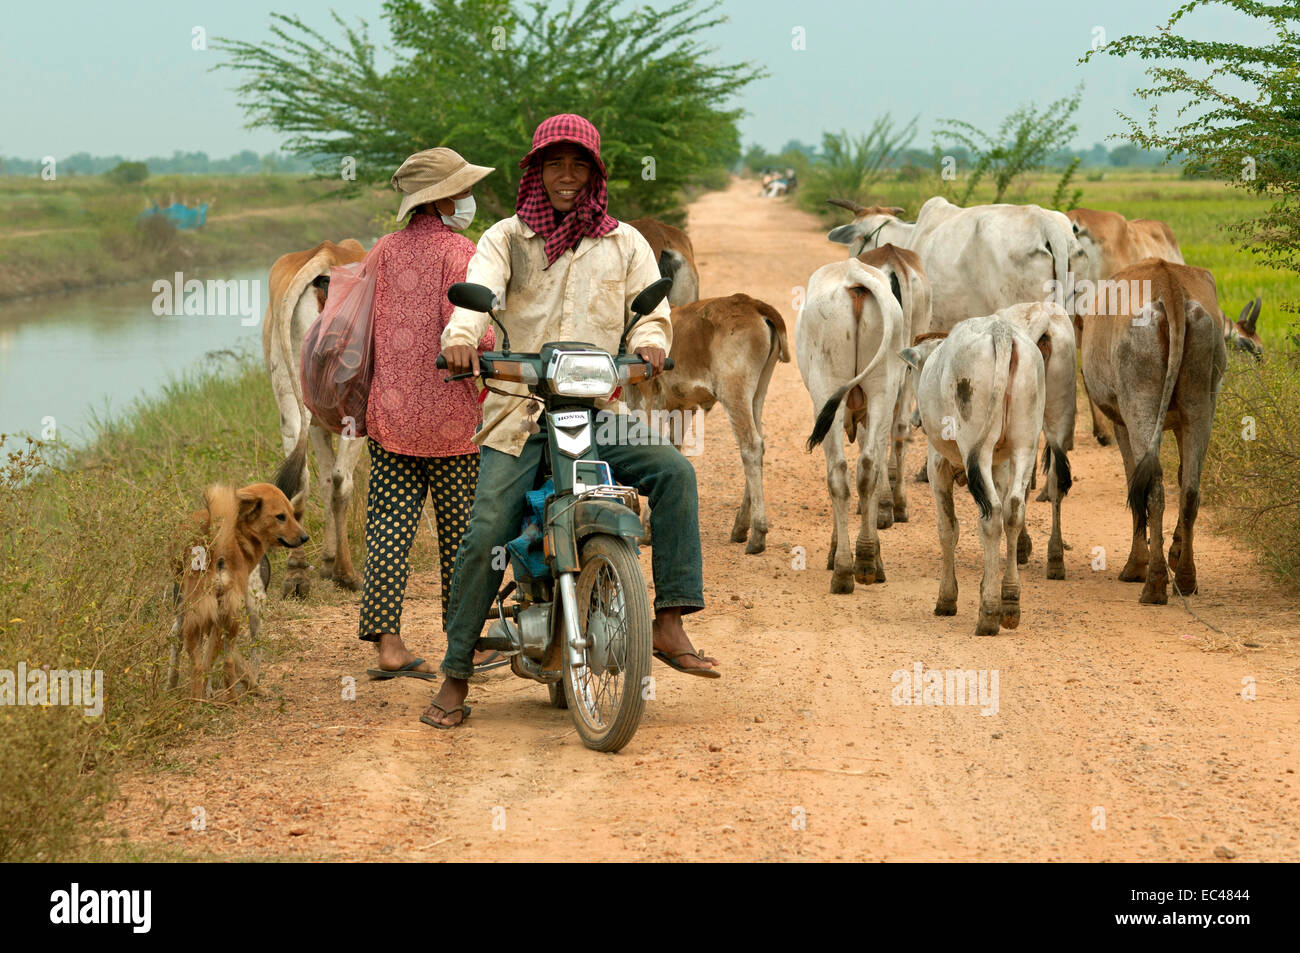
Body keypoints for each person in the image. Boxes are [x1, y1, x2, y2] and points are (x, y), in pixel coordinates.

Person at [427, 114, 719, 729]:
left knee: (673, 473)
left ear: (594, 173)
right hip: (520, 415)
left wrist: (650, 342)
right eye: (554, 164)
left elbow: (651, 310)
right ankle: (455, 673)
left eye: (577, 164)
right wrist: (461, 337)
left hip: (599, 412)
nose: (566, 176)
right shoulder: (506, 239)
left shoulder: (624, 243)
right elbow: (476, 293)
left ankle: (668, 620)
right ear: (535, 171)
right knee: (485, 534)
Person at [358, 147, 501, 680]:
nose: (468, 198)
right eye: (463, 190)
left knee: (388, 528)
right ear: (443, 199)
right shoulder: (458, 252)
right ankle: (463, 643)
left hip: (389, 415)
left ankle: (389, 647)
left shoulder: (385, 250)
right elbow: (473, 329)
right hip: (451, 422)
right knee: (462, 535)